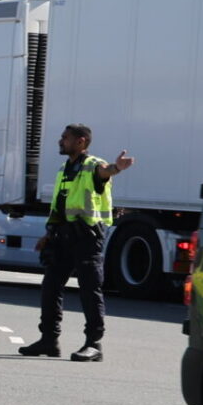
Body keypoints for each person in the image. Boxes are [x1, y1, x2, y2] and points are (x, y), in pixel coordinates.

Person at [20, 123, 134, 363]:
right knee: (50, 287)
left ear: (81, 141)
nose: (60, 141)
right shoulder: (65, 168)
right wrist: (48, 235)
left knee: (89, 290)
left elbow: (104, 172)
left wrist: (116, 168)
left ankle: (94, 344)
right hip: (62, 237)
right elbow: (60, 206)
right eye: (62, 137)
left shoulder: (92, 165)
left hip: (86, 238)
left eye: (65, 138)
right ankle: (49, 340)